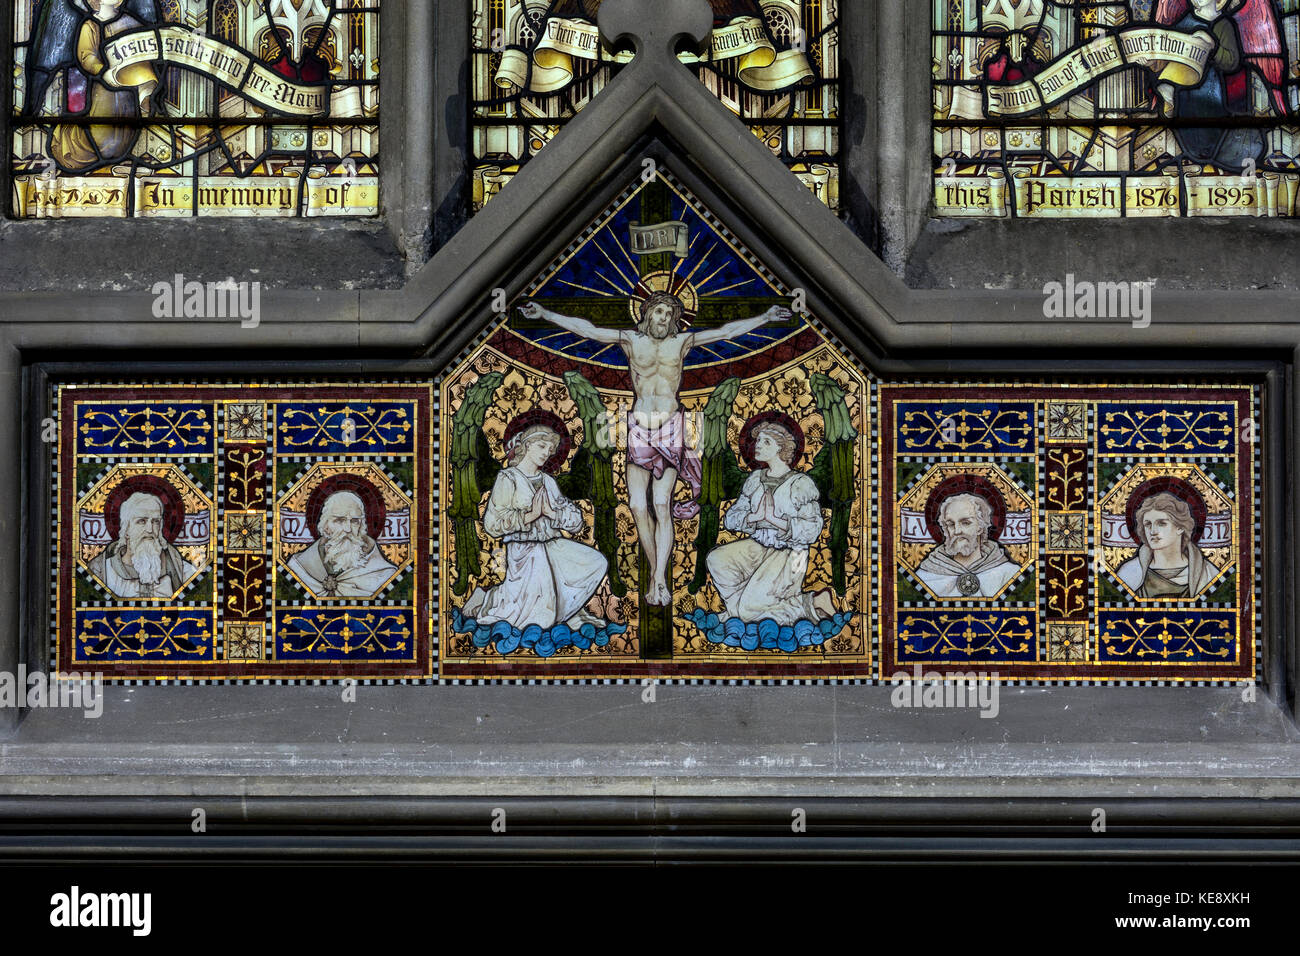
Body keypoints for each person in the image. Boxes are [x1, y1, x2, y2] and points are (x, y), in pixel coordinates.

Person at [519, 294, 788, 606]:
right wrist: (546, 313)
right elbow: (588, 330)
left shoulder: (682, 342)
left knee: (661, 504)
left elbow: (726, 332)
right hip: (639, 428)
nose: (664, 318)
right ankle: (656, 573)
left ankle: (657, 578)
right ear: (647, 312)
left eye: (670, 314)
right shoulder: (631, 340)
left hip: (671, 426)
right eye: (659, 311)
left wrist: (766, 317)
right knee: (636, 505)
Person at [460, 422, 611, 631]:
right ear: (527, 445)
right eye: (542, 446)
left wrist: (551, 513)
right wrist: (530, 516)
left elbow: (576, 521)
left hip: (553, 545)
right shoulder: (508, 478)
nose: (546, 454)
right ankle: (489, 599)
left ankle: (567, 611)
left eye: (550, 450)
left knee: (596, 562)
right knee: (539, 621)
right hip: (524, 551)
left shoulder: (548, 481)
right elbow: (492, 524)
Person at [706, 421, 836, 624]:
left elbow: (813, 528)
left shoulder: (800, 484)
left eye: (766, 442)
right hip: (759, 547)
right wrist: (754, 518)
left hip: (792, 554)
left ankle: (811, 602)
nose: (758, 445)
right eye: (758, 441)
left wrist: (778, 522)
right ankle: (736, 612)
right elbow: (731, 518)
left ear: (781, 449)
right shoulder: (755, 479)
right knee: (716, 559)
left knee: (751, 612)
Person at [50, 0, 159, 171]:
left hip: (128, 92)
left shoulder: (131, 22)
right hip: (103, 90)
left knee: (124, 132)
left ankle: (118, 157)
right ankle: (92, 156)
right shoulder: (90, 26)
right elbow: (86, 56)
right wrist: (104, 71)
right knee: (100, 134)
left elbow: (145, 55)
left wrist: (144, 88)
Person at [287, 490, 399, 598]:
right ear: (325, 525)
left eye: (355, 521)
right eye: (340, 520)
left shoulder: (384, 574)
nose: (348, 529)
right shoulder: (300, 568)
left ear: (361, 526)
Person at [88, 491, 198, 599]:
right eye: (141, 521)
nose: (150, 530)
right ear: (126, 529)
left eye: (155, 521)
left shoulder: (181, 568)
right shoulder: (102, 571)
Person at [915, 492, 1021, 598]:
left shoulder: (1009, 574)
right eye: (951, 524)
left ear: (980, 526)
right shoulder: (925, 577)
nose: (957, 531)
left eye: (965, 523)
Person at [1116, 491, 1221, 598]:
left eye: (1161, 523)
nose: (1153, 531)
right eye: (1147, 524)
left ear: (1180, 527)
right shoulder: (1128, 572)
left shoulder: (1208, 573)